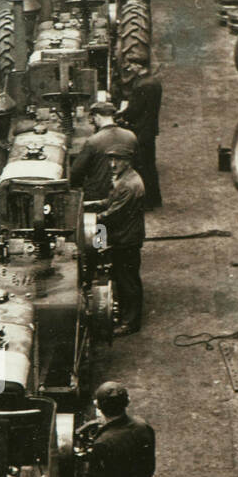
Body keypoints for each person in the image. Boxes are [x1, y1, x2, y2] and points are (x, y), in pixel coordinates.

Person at [93, 130, 146, 335]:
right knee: (124, 277)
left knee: (128, 280)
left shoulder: (129, 185)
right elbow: (110, 202)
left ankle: (130, 323)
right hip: (124, 236)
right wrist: (93, 204)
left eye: (118, 160)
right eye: (111, 160)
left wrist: (90, 219)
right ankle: (124, 314)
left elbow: (114, 213)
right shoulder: (123, 179)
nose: (113, 165)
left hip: (126, 239)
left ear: (127, 161)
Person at [70, 102, 133, 205]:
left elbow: (76, 172)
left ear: (97, 117)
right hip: (124, 192)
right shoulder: (131, 136)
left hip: (98, 195)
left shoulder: (93, 141)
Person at [118, 62, 163, 209]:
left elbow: (134, 111)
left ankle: (147, 202)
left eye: (133, 65)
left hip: (141, 131)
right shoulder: (154, 81)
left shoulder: (142, 85)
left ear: (140, 66)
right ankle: (155, 199)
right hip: (149, 130)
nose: (130, 68)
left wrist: (121, 114)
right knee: (150, 166)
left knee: (142, 167)